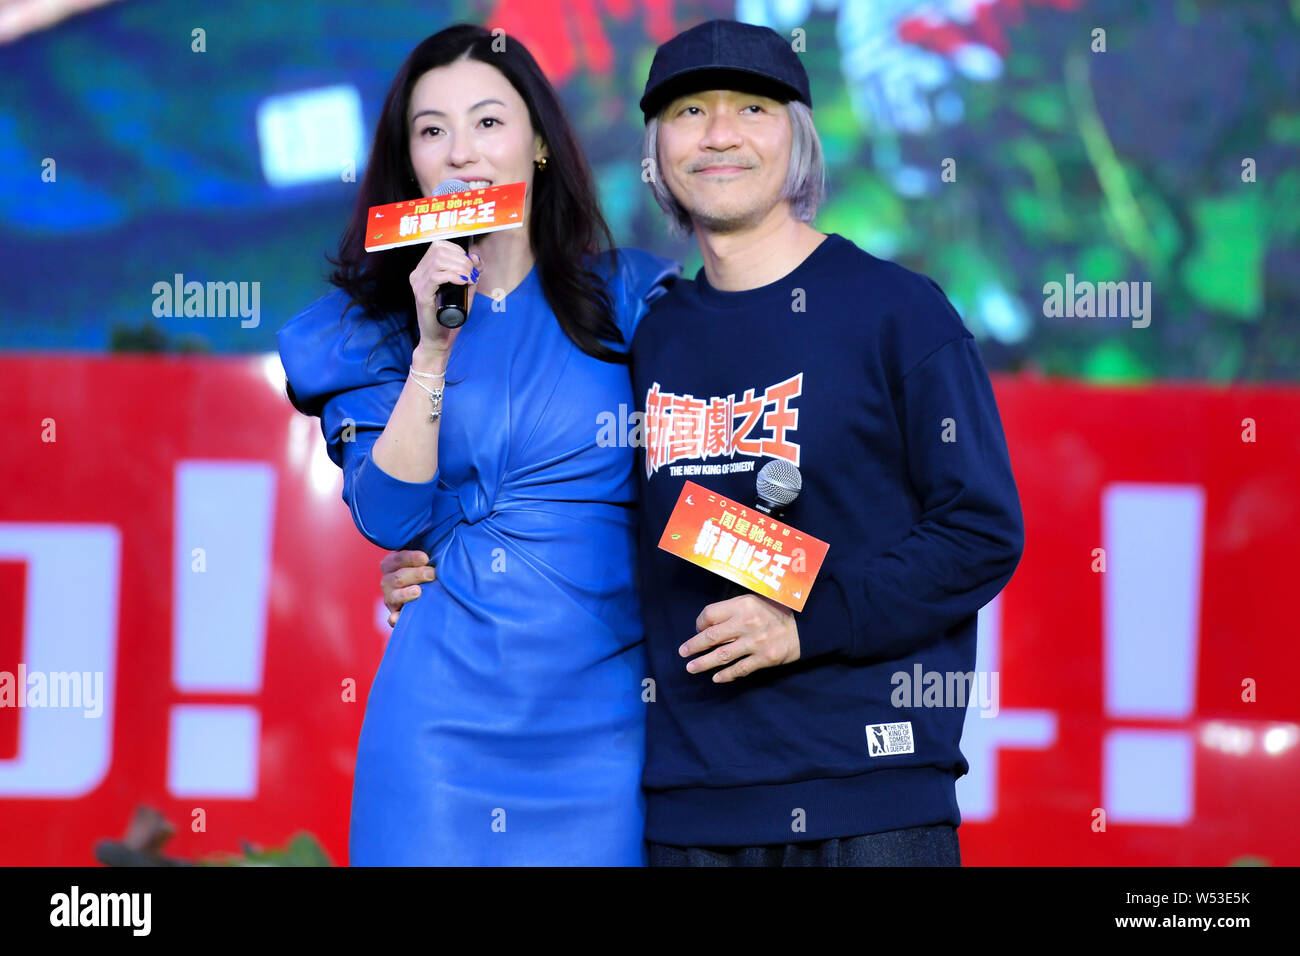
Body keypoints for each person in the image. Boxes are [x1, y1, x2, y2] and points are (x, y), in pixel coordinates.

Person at [383, 19, 1025, 867]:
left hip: (870, 800)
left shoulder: (897, 314)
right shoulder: (647, 334)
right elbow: (600, 509)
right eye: (689, 113)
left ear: (798, 139)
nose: (719, 134)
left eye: (752, 109)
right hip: (691, 815)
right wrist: (444, 555)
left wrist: (808, 622)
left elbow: (979, 532)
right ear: (656, 155)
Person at [276, 24, 678, 866]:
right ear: (409, 163)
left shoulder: (633, 298)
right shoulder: (367, 333)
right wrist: (432, 347)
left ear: (537, 142)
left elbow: (697, 480)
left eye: (488, 123)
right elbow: (388, 515)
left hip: (609, 720)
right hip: (441, 732)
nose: (462, 153)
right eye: (432, 131)